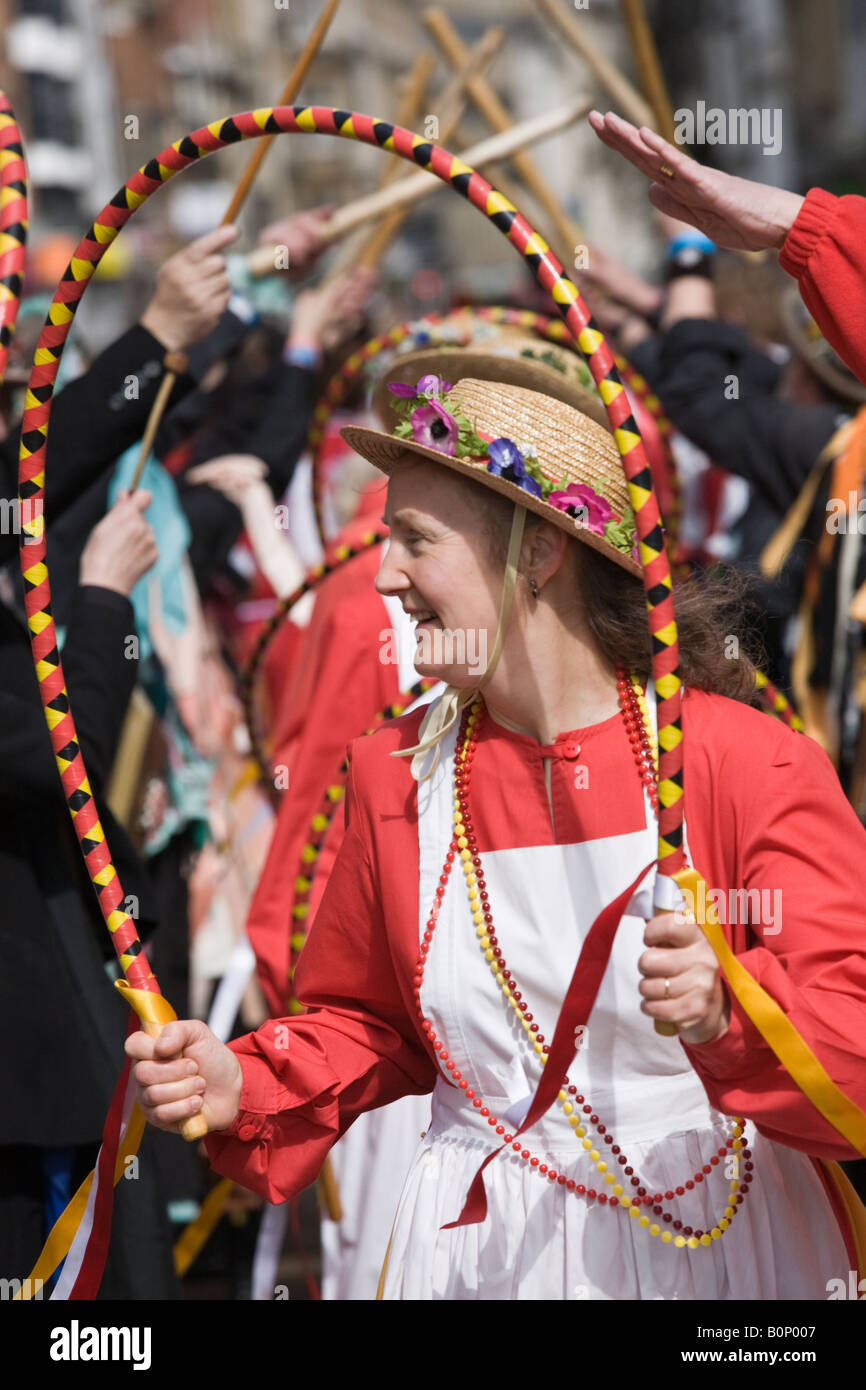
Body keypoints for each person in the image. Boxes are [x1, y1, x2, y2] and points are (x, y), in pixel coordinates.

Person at [127, 362, 866, 1300]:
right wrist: (245, 1085)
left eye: (415, 540)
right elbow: (367, 1021)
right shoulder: (393, 772)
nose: (384, 574)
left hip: (718, 1253)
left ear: (538, 552)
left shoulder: (745, 763)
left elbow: (853, 1048)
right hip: (476, 1258)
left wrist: (731, 1012)